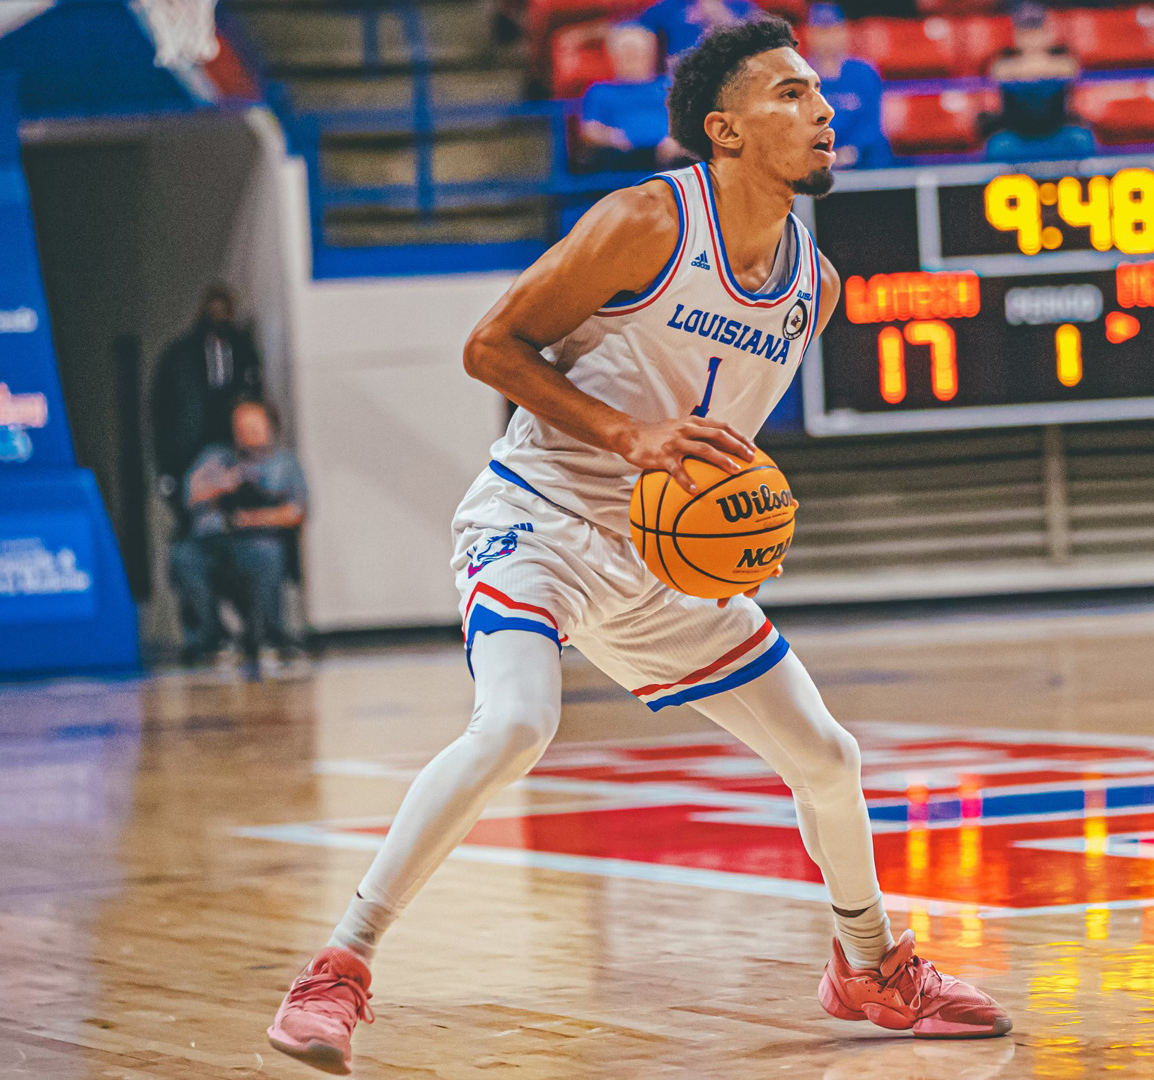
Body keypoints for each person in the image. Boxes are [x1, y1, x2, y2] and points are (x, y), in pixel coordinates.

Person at [265, 17, 1011, 1074]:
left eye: (819, 91)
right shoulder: (644, 222)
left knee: (828, 758)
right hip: (544, 519)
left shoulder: (816, 285)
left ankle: (871, 968)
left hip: (662, 566)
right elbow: (490, 346)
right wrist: (627, 436)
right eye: (792, 94)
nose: (826, 108)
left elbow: (724, 454)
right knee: (517, 723)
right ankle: (337, 970)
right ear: (727, 130)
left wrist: (739, 538)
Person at [169, 399, 306, 664]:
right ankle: (209, 639)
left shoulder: (283, 464)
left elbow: (297, 511)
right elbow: (189, 499)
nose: (249, 431)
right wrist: (224, 484)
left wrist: (251, 518)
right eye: (242, 425)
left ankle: (268, 635)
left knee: (267, 553)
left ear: (270, 426)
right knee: (184, 557)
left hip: (258, 540)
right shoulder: (215, 458)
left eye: (255, 424)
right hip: (211, 540)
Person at [152, 285, 265, 519]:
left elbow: (254, 395)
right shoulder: (181, 354)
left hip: (234, 445)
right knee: (200, 511)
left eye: (224, 312)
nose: (219, 318)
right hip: (193, 446)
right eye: (213, 312)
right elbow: (162, 410)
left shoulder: (242, 350)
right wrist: (169, 464)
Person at [984, 2, 1095, 161]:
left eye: (1037, 31)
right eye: (1025, 33)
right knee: (998, 145)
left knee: (1081, 139)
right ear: (1016, 35)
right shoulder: (1003, 59)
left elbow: (1070, 68)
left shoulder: (1064, 57)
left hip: (1059, 135)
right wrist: (1042, 67)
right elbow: (998, 71)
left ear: (1048, 33)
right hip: (1017, 138)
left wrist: (1025, 68)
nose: (1032, 38)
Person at [577, 22, 688, 171]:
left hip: (668, 159)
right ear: (613, 57)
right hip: (620, 158)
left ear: (651, 55)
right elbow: (589, 130)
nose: (632, 59)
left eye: (637, 53)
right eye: (626, 54)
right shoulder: (600, 91)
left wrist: (677, 140)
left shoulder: (671, 86)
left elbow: (687, 124)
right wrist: (611, 137)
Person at [802, 2, 890, 169]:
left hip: (864, 166)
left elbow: (872, 125)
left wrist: (852, 151)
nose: (828, 38)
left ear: (844, 31)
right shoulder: (799, 77)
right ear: (809, 34)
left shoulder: (864, 73)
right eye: (822, 31)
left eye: (834, 30)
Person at [637, 0, 760, 61]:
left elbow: (756, 41)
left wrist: (721, 17)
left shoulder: (740, 5)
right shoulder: (671, 6)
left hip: (728, 68)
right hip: (680, 73)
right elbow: (635, 29)